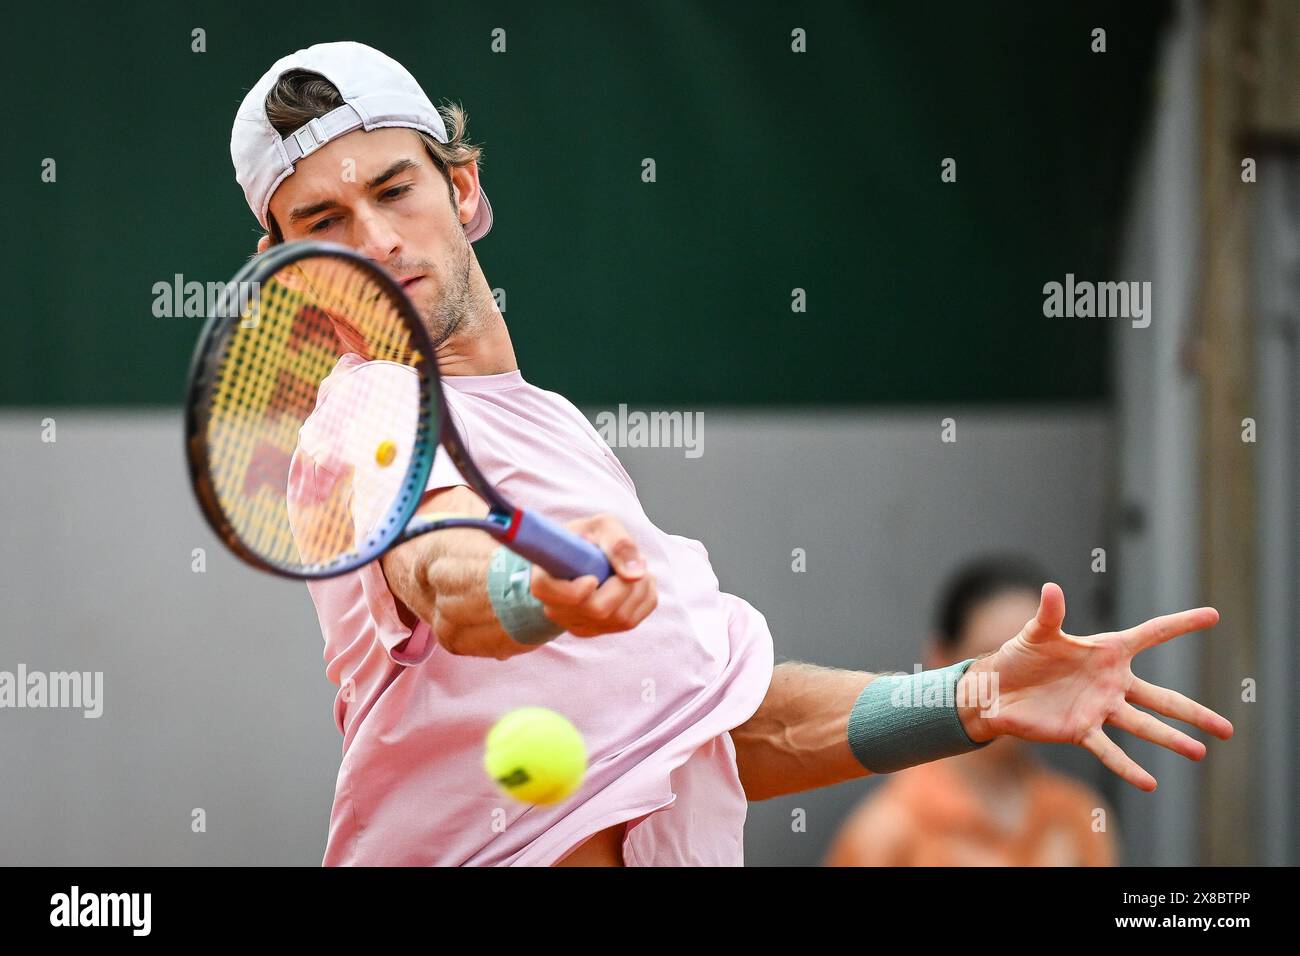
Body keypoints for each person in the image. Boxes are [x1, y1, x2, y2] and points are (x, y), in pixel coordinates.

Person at [228, 41, 1233, 866]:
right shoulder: (364, 407)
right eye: (324, 222)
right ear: (292, 272)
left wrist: (972, 697)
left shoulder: (557, 435)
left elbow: (721, 734)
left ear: (463, 186)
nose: (376, 239)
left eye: (395, 190)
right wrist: (535, 591)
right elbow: (445, 573)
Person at [826, 558, 1119, 866]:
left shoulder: (1079, 816)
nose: (1016, 683)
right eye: (990, 659)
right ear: (940, 659)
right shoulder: (890, 830)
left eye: (1036, 663)